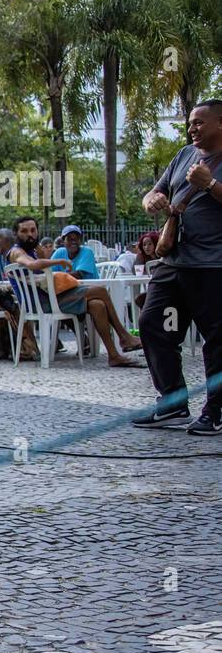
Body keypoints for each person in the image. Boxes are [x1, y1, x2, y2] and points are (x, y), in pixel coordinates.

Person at [133, 98, 222, 433]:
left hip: (213, 265)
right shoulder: (183, 155)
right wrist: (151, 200)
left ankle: (215, 411)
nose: (192, 128)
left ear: (220, 123)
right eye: (190, 123)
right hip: (173, 261)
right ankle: (172, 402)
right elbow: (152, 194)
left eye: (199, 122)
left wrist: (210, 184)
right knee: (152, 323)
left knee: (216, 340)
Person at [6, 216, 142, 368]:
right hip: (42, 302)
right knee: (101, 291)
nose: (30, 234)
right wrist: (59, 261)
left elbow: (42, 271)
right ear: (16, 234)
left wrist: (41, 253)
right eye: (24, 231)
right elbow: (32, 265)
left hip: (49, 298)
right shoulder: (17, 252)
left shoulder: (32, 251)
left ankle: (114, 355)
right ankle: (124, 337)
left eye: (33, 230)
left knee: (97, 304)